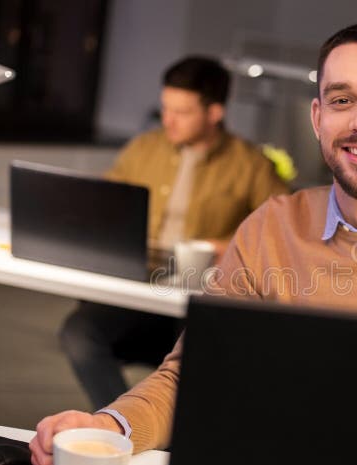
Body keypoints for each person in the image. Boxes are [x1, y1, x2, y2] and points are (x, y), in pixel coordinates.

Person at [31, 20, 357, 465]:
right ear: (318, 117)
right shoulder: (270, 228)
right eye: (341, 100)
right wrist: (106, 425)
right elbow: (193, 377)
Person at [59, 56, 289, 410]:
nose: (168, 119)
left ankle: (170, 432)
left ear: (215, 113)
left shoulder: (250, 164)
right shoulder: (144, 148)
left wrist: (227, 246)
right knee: (78, 334)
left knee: (197, 356)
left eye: (182, 112)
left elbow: (283, 229)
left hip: (194, 299)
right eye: (166, 107)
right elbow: (102, 207)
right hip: (137, 289)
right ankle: (122, 422)